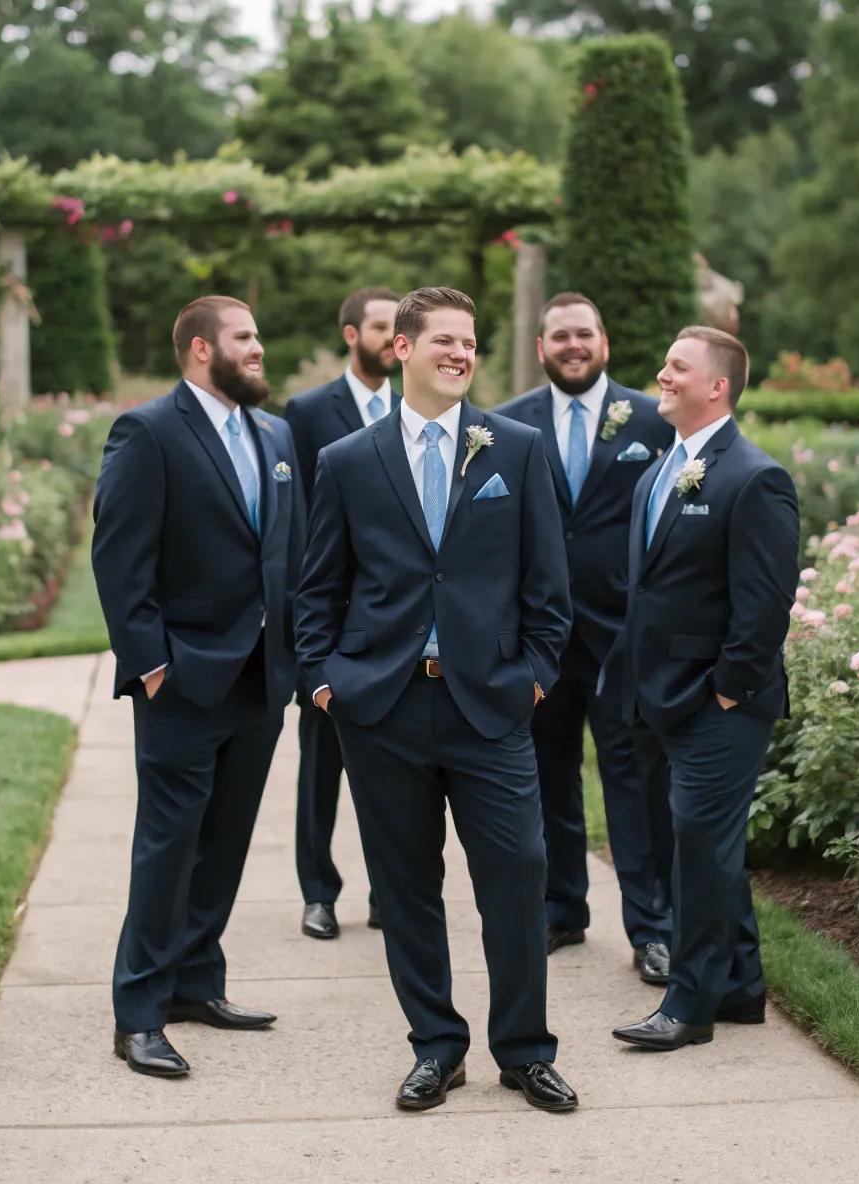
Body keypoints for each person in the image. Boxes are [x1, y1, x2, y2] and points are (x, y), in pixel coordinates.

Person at [295, 286, 578, 1113]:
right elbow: (319, 589)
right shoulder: (347, 459)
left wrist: (533, 674)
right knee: (406, 887)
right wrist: (325, 682)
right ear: (402, 350)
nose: (460, 354)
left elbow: (548, 584)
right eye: (444, 340)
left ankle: (524, 1051)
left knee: (518, 877)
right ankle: (436, 1048)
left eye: (470, 343)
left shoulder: (516, 449)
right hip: (382, 710)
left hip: (490, 705)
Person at [92, 295, 306, 1079]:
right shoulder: (147, 432)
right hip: (182, 679)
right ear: (199, 348)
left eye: (257, 334)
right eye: (243, 336)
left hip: (261, 678)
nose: (258, 347)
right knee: (168, 846)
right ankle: (138, 1014)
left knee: (226, 842)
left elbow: (291, 553)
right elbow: (120, 558)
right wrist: (152, 666)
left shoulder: (276, 434)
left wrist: (295, 656)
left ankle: (194, 983)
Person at [602, 326, 799, 1051]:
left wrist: (727, 691)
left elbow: (765, 606)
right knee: (700, 845)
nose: (662, 375)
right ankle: (741, 986)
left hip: (721, 704)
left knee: (699, 848)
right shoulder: (661, 471)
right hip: (659, 694)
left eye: (677, 367)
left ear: (717, 386)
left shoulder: (755, 478)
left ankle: (689, 1006)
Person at [496, 292, 675, 985]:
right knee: (547, 775)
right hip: (538, 637)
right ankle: (561, 908)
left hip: (624, 635)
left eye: (584, 334)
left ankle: (651, 927)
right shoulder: (506, 425)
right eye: (560, 336)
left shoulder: (654, 420)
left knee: (632, 780)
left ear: (604, 343)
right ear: (541, 348)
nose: (572, 345)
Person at [284, 286, 399, 940]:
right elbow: (300, 523)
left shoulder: (420, 410)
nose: (391, 337)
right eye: (380, 326)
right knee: (320, 766)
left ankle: (389, 890)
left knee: (398, 772)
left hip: (400, 622)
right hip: (333, 622)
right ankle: (318, 892)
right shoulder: (306, 413)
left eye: (397, 327)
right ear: (351, 334)